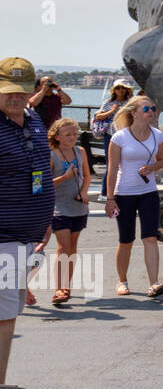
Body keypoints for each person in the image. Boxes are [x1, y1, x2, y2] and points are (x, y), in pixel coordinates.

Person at [0, 57, 54, 389]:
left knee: (6, 319)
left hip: (25, 239)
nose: (16, 98)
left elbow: (39, 172)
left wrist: (44, 219)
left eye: (23, 91)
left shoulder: (34, 119)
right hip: (2, 239)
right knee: (3, 320)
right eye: (8, 91)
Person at [105, 95, 163, 298]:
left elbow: (162, 161)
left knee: (150, 237)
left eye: (153, 108)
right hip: (124, 193)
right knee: (126, 239)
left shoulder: (158, 135)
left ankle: (154, 283)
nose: (151, 111)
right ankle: (122, 281)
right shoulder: (119, 138)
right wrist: (110, 198)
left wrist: (152, 167)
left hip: (148, 192)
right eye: (146, 109)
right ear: (133, 113)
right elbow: (112, 169)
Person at [47, 118, 90, 306]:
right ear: (57, 137)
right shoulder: (51, 154)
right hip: (59, 205)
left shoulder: (80, 152)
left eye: (75, 134)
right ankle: (58, 287)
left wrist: (84, 191)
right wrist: (64, 177)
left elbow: (87, 175)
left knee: (72, 246)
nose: (72, 137)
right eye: (67, 135)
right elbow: (43, 183)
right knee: (62, 245)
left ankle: (67, 286)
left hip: (78, 205)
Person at [92, 80, 133, 197]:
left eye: (123, 88)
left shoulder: (130, 103)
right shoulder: (108, 103)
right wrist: (112, 110)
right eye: (118, 88)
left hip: (127, 135)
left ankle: (122, 189)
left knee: (126, 162)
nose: (121, 90)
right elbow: (98, 116)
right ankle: (105, 192)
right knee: (111, 163)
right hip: (110, 136)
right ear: (114, 90)